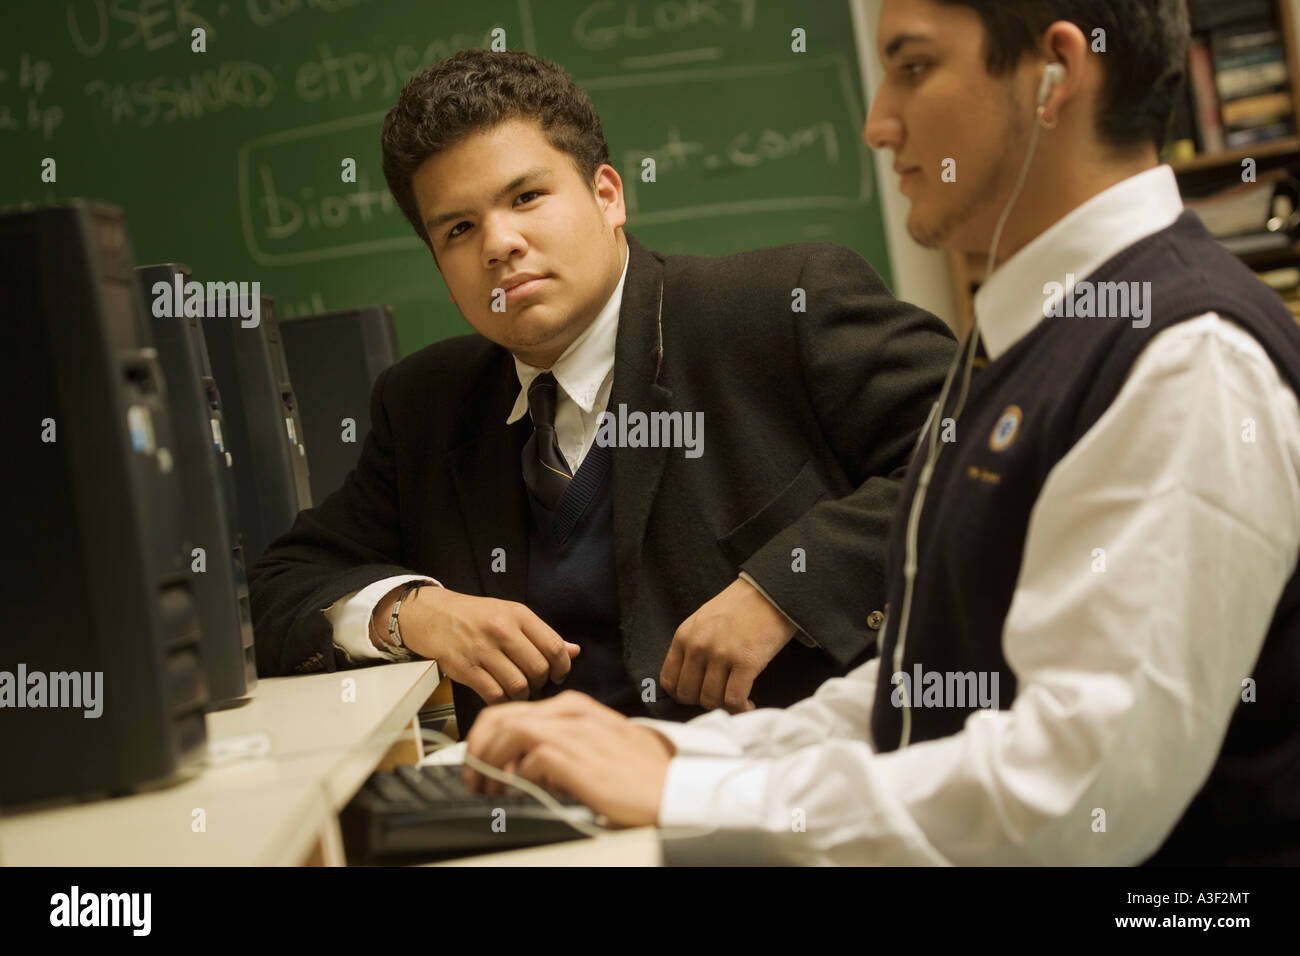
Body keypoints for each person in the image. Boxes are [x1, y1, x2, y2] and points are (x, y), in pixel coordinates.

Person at [462, 0, 1300, 865]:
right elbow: (927, 685)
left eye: (912, 67)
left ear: (1056, 74)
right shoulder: (1033, 334)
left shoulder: (1187, 359)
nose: (875, 125)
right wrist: (678, 753)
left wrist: (688, 791)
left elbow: (1078, 791)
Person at [247, 48, 954, 733]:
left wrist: (784, 589)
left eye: (526, 197)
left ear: (607, 195)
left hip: (779, 788)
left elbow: (980, 456)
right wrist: (412, 612)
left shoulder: (781, 305)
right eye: (459, 229)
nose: (499, 243)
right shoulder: (425, 404)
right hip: (536, 813)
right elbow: (277, 586)